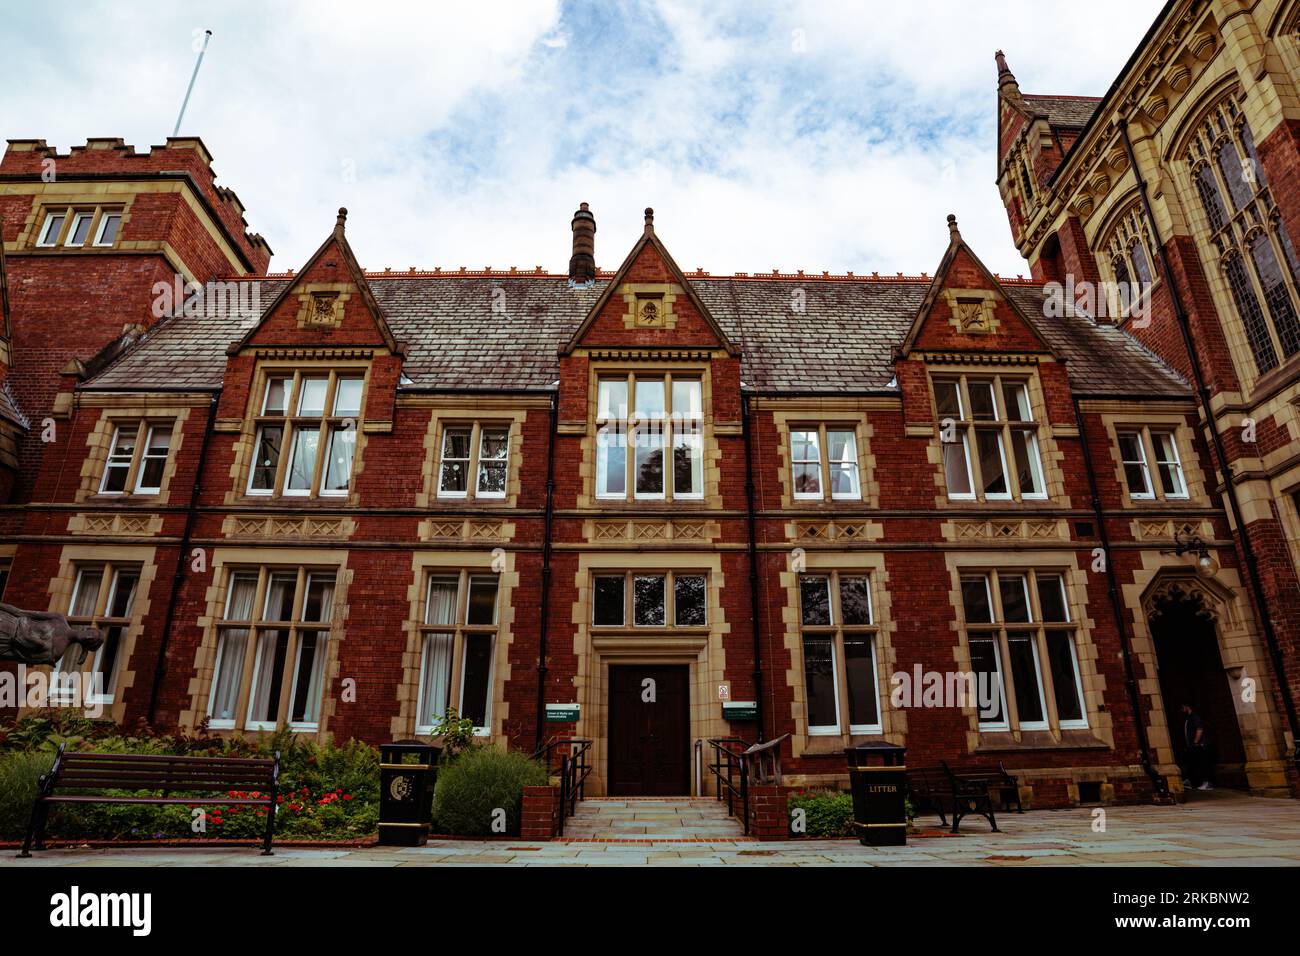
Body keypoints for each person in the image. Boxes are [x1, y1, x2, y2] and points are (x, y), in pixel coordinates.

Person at [1181, 702, 1213, 791]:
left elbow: (1200, 729)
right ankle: (1190, 782)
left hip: (1199, 745)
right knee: (1193, 763)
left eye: (1183, 706)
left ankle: (1207, 783)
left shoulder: (1195, 717)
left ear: (1188, 706)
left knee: (1202, 763)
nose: (1182, 709)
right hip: (1192, 745)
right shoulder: (1189, 717)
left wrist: (1195, 741)